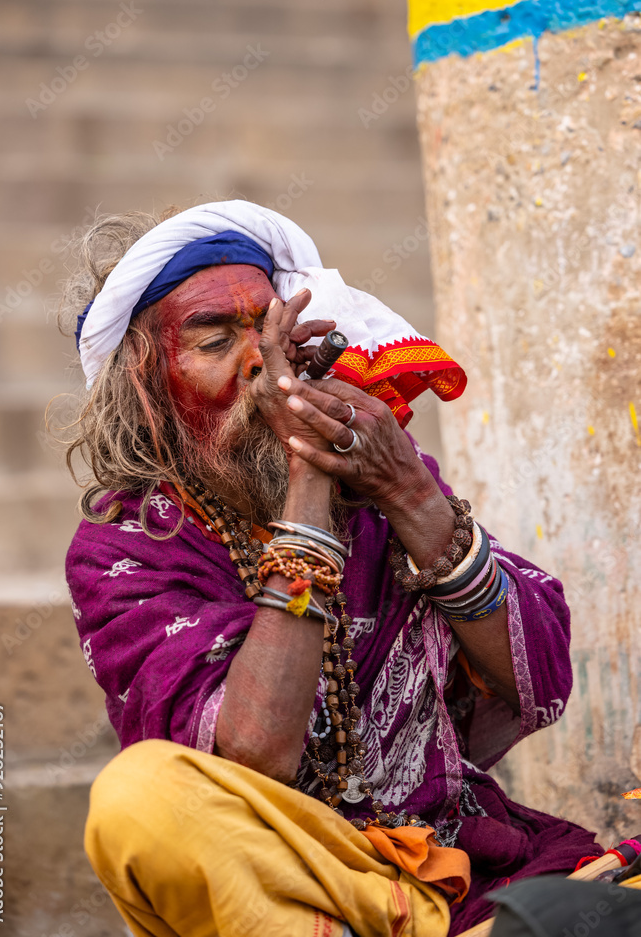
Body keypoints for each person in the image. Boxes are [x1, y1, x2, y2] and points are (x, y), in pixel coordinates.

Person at [58, 201, 602, 937]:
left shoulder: (382, 489)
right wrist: (306, 481)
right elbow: (255, 753)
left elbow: (540, 679)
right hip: (292, 886)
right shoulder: (125, 548)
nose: (263, 363)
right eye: (216, 340)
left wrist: (409, 492)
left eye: (275, 333)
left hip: (457, 865)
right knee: (139, 801)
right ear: (146, 391)